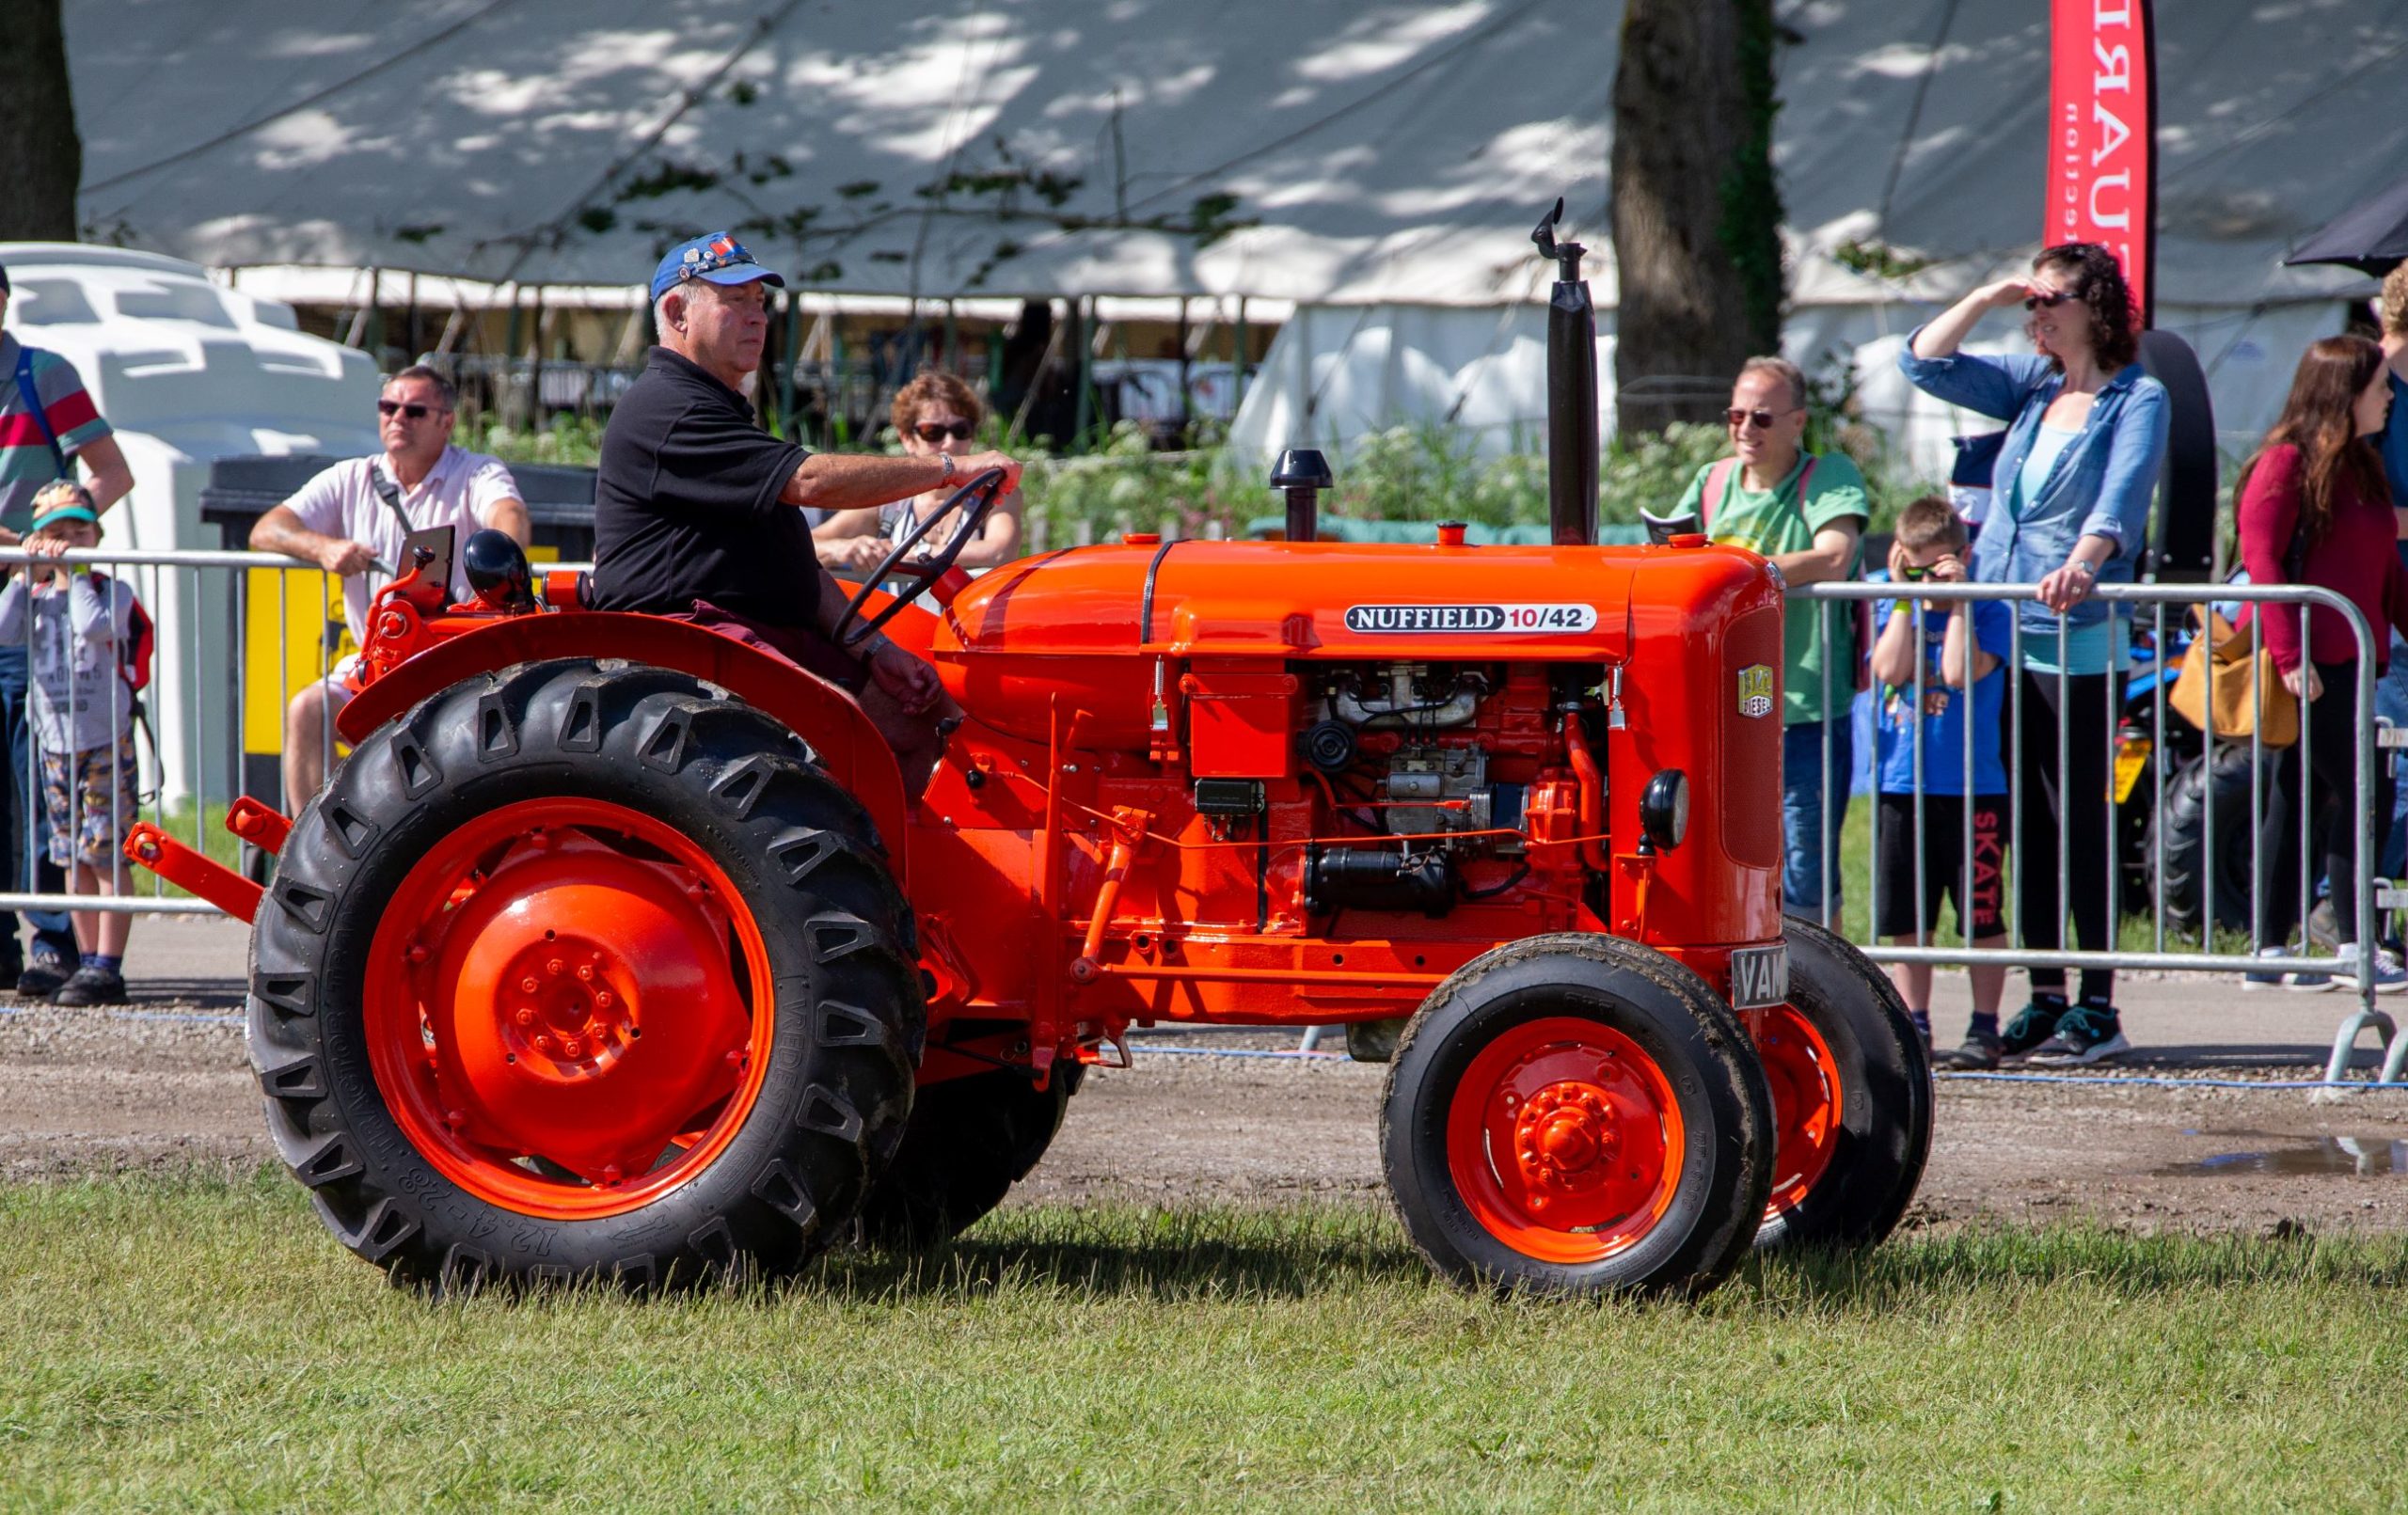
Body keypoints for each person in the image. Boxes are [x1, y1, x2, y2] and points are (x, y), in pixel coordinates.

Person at [587, 232, 1022, 795]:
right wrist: (950, 468)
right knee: (843, 727)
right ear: (677, 312)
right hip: (691, 635)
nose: (756, 318)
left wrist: (878, 649)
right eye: (735, 300)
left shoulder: (717, 408)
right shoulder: (668, 408)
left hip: (758, 628)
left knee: (923, 711)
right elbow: (810, 479)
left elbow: (792, 563)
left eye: (760, 303)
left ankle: (931, 871)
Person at [1899, 243, 2170, 1065]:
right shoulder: (2033, 384)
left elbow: (2122, 495)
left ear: (2096, 305)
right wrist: (1985, 293)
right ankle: (2045, 995)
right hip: (2011, 628)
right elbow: (1922, 364)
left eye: (2052, 298)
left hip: (2080, 634)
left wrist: (2085, 561)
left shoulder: (2138, 396)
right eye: (2032, 300)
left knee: (2079, 818)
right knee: (2030, 822)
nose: (2036, 312)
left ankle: (2098, 1004)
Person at [248, 366, 531, 811]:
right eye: (388, 407)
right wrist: (322, 548)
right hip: (375, 663)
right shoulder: (351, 477)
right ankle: (312, 849)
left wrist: (499, 556)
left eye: (414, 410)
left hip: (454, 661)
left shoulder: (476, 472)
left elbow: (508, 514)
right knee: (307, 709)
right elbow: (268, 529)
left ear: (446, 422)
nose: (398, 418)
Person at [2235, 336, 2408, 992]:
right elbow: (2264, 562)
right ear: (2345, 392)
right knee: (2364, 791)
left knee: (2300, 791)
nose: (2389, 397)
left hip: (2353, 659)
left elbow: (2385, 571)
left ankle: (2271, 947)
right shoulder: (2284, 463)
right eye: (2379, 387)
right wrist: (2286, 653)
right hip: (2306, 663)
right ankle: (2354, 943)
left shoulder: (2363, 467)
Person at [1671, 355, 1868, 923]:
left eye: (1761, 417)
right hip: (1719, 707)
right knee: (1714, 846)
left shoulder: (1828, 474)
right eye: (1736, 415)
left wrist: (1742, 575)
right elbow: (1673, 559)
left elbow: (1835, 556)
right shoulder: (1710, 481)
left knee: (1805, 857)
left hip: (1803, 703)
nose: (1744, 428)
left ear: (1797, 422)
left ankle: (1813, 989)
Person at [0, 261, 136, 997]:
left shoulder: (40, 373)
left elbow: (110, 471)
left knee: (34, 780)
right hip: (22, 600)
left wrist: (61, 539)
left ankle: (54, 941)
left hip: (34, 601)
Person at [1865, 497, 2012, 1067]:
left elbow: (1955, 672)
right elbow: (1889, 670)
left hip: (1974, 789)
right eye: (1918, 567)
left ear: (1963, 557)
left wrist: (1959, 601)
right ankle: (1915, 1024)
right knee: (1908, 919)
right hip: (1904, 785)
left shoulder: (1988, 609)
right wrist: (1906, 593)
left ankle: (1984, 1026)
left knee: (1981, 914)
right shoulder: (1892, 601)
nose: (1930, 580)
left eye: (1939, 567)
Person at [0, 485, 146, 1005]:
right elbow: (5, 631)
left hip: (103, 740)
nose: (66, 543)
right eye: (55, 535)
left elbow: (94, 627)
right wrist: (24, 573)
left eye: (78, 532)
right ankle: (86, 961)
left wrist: (72, 573)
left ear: (97, 535)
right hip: (55, 745)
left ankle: (108, 964)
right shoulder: (34, 594)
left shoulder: (109, 590)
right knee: (72, 857)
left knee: (105, 856)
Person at [819, 370, 1025, 574]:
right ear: (907, 439)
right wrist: (842, 549)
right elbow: (808, 543)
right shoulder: (889, 505)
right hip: (904, 608)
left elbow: (1000, 552)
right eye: (933, 432)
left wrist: (903, 553)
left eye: (961, 430)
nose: (950, 442)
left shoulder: (994, 492)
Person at [2370, 265, 2408, 909]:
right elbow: (2345, 506)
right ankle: (2342, 901)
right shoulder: (2369, 387)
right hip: (2378, 606)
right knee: (2394, 772)